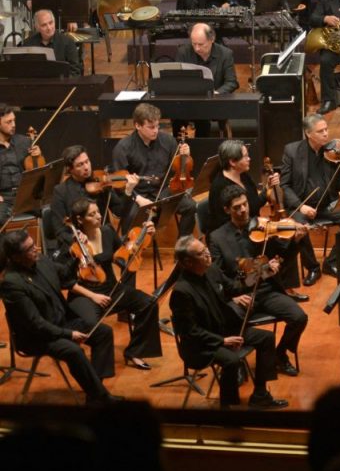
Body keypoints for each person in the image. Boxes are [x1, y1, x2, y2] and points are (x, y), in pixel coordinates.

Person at [0, 228, 120, 404]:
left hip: (63, 322)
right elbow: (35, 324)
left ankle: (95, 392)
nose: (36, 249)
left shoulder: (41, 261)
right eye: (29, 249)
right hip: (39, 336)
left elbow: (65, 274)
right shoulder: (12, 283)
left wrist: (77, 250)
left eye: (34, 245)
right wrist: (69, 335)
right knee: (74, 351)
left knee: (103, 332)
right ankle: (100, 395)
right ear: (16, 257)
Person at [168, 233, 288, 409]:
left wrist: (263, 272)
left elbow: (234, 287)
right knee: (231, 361)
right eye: (201, 254)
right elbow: (190, 332)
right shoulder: (181, 292)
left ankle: (260, 395)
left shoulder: (211, 270)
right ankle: (226, 409)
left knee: (266, 338)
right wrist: (222, 341)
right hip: (202, 345)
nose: (208, 254)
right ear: (187, 262)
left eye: (206, 249)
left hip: (223, 330)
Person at [206, 187, 305, 378]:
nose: (243, 210)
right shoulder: (217, 238)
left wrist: (295, 242)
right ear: (227, 210)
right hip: (240, 294)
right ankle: (237, 361)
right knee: (227, 319)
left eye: (245, 204)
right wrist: (232, 299)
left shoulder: (263, 226)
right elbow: (217, 275)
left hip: (266, 290)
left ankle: (280, 354)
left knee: (299, 318)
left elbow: (283, 256)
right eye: (237, 207)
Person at [59, 197, 162, 371]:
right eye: (92, 215)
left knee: (149, 303)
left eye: (98, 212)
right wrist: (94, 296)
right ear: (79, 220)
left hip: (111, 288)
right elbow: (66, 281)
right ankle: (85, 365)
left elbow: (122, 256)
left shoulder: (107, 231)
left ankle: (135, 351)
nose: (99, 216)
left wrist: (143, 238)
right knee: (94, 326)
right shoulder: (72, 243)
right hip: (84, 294)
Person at [280, 114, 340, 276]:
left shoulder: (333, 152)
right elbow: (285, 186)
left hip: (328, 204)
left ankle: (331, 262)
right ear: (308, 134)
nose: (325, 134)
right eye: (320, 131)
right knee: (300, 228)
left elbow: (339, 184)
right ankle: (313, 268)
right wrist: (301, 207)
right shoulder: (292, 151)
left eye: (326, 129)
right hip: (302, 205)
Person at [109, 102, 198, 239]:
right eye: (151, 127)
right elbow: (119, 184)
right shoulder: (123, 148)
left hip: (162, 191)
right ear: (137, 125)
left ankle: (183, 248)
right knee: (131, 216)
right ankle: (128, 253)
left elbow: (178, 171)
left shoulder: (168, 141)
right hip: (137, 195)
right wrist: (138, 198)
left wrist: (184, 156)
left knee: (190, 206)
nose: (156, 130)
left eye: (157, 126)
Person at [174, 21, 238, 94]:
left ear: (212, 39)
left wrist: (217, 93)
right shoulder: (183, 53)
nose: (197, 48)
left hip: (216, 100)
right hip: (190, 100)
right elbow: (178, 81)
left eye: (201, 44)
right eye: (194, 44)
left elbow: (231, 82)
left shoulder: (225, 54)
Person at [20, 8, 82, 76]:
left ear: (54, 22)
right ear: (37, 27)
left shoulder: (68, 42)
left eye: (51, 23)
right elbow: (24, 70)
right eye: (44, 25)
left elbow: (75, 71)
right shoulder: (28, 43)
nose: (49, 28)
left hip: (61, 83)